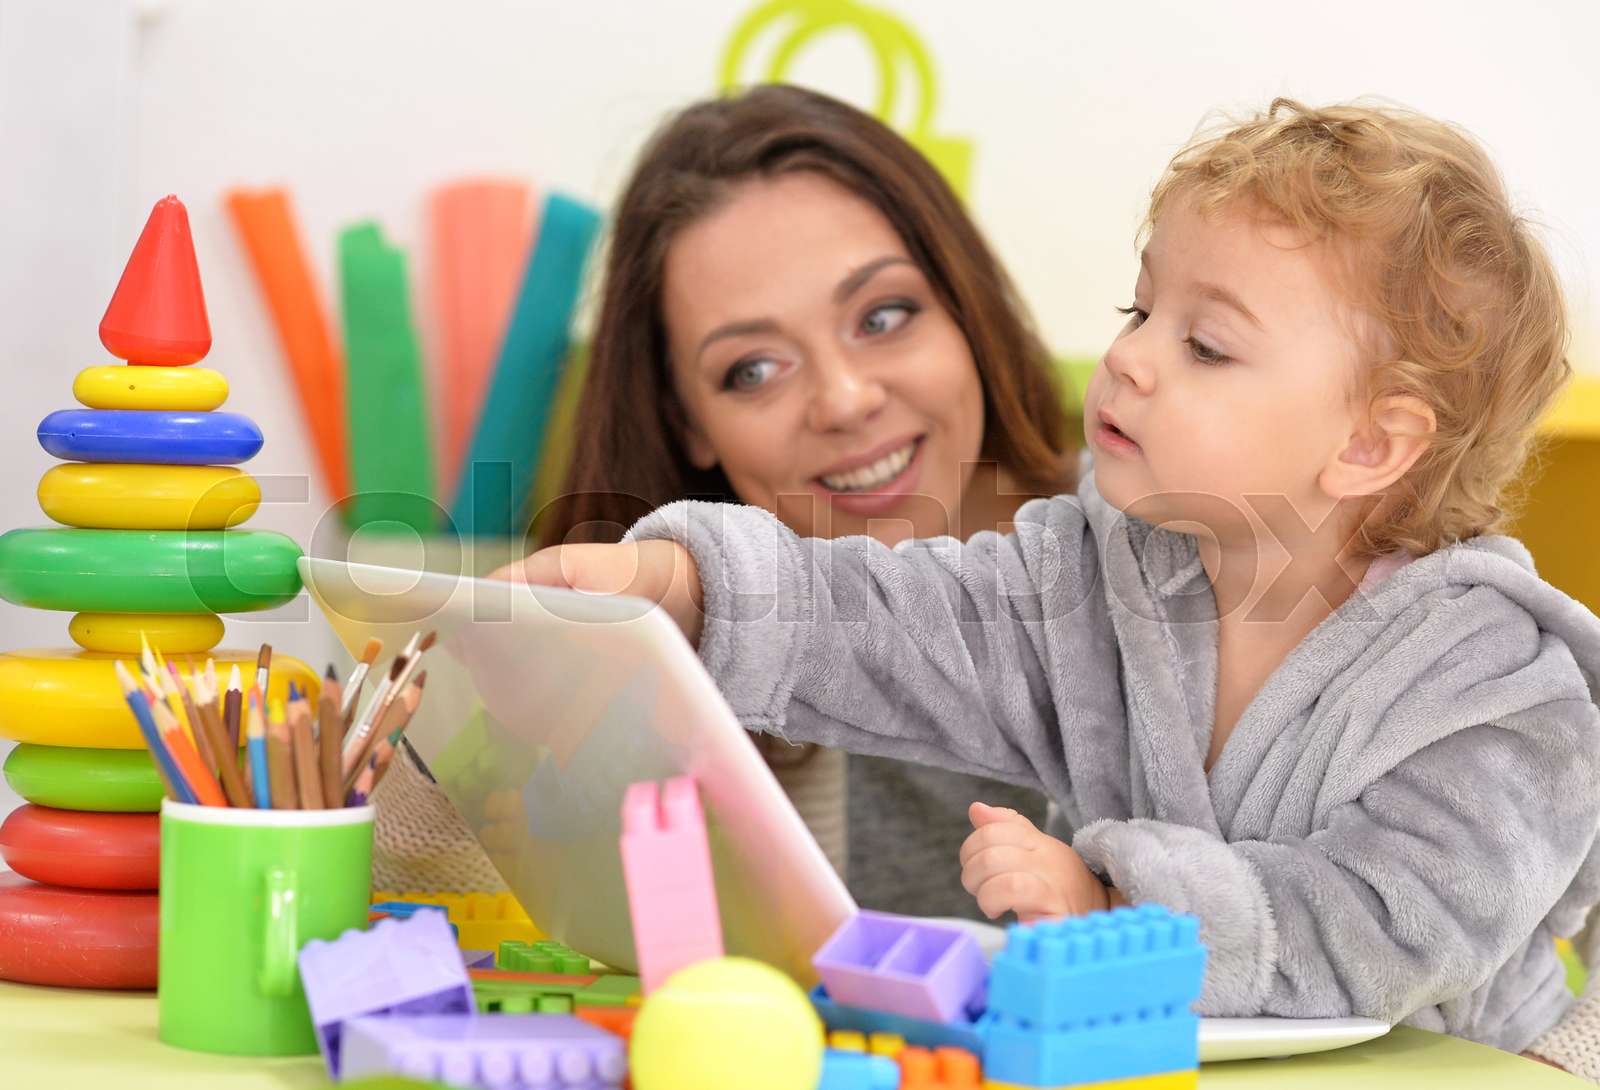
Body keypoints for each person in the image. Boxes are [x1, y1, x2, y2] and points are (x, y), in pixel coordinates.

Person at [500, 99, 1600, 1065]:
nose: (1126, 356)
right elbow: (898, 623)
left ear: (1368, 445)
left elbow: (1384, 925)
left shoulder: (1495, 694)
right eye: (1139, 310)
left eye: (1204, 345)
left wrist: (1117, 908)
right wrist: (677, 578)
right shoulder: (1096, 581)